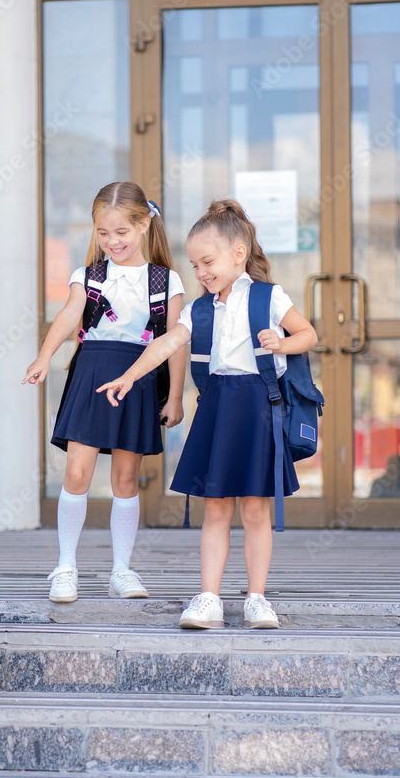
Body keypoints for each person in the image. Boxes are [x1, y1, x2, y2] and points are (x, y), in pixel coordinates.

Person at [98, 199, 318, 630]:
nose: (200, 272)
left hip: (257, 411)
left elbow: (307, 333)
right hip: (217, 408)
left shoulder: (269, 297)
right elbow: (165, 344)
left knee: (255, 511)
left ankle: (256, 598)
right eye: (195, 264)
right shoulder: (200, 309)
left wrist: (281, 343)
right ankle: (209, 598)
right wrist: (129, 376)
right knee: (215, 509)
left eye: (207, 261)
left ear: (239, 253)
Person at [23, 181, 186, 602]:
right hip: (93, 371)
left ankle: (121, 570)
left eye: (122, 233)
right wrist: (44, 356)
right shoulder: (89, 276)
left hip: (140, 375)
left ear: (145, 225)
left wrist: (175, 397)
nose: (112, 242)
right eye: (103, 233)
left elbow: (175, 341)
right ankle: (65, 566)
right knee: (77, 471)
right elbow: (68, 316)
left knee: (127, 478)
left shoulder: (166, 281)